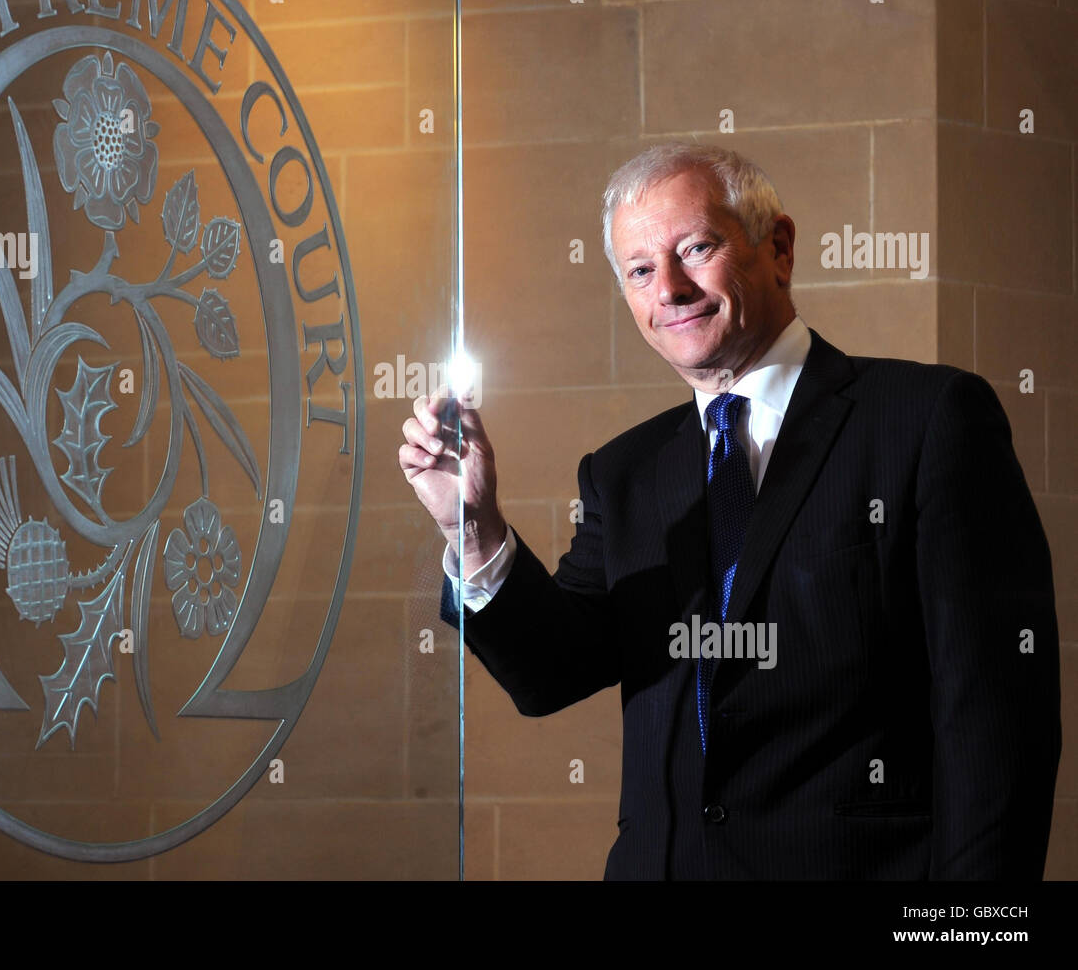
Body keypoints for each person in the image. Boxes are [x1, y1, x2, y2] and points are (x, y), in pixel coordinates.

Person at [398, 142, 1061, 880]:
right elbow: (552, 671)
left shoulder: (927, 420)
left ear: (778, 247)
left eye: (696, 249)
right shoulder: (624, 473)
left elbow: (997, 721)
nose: (671, 289)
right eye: (641, 270)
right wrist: (475, 526)